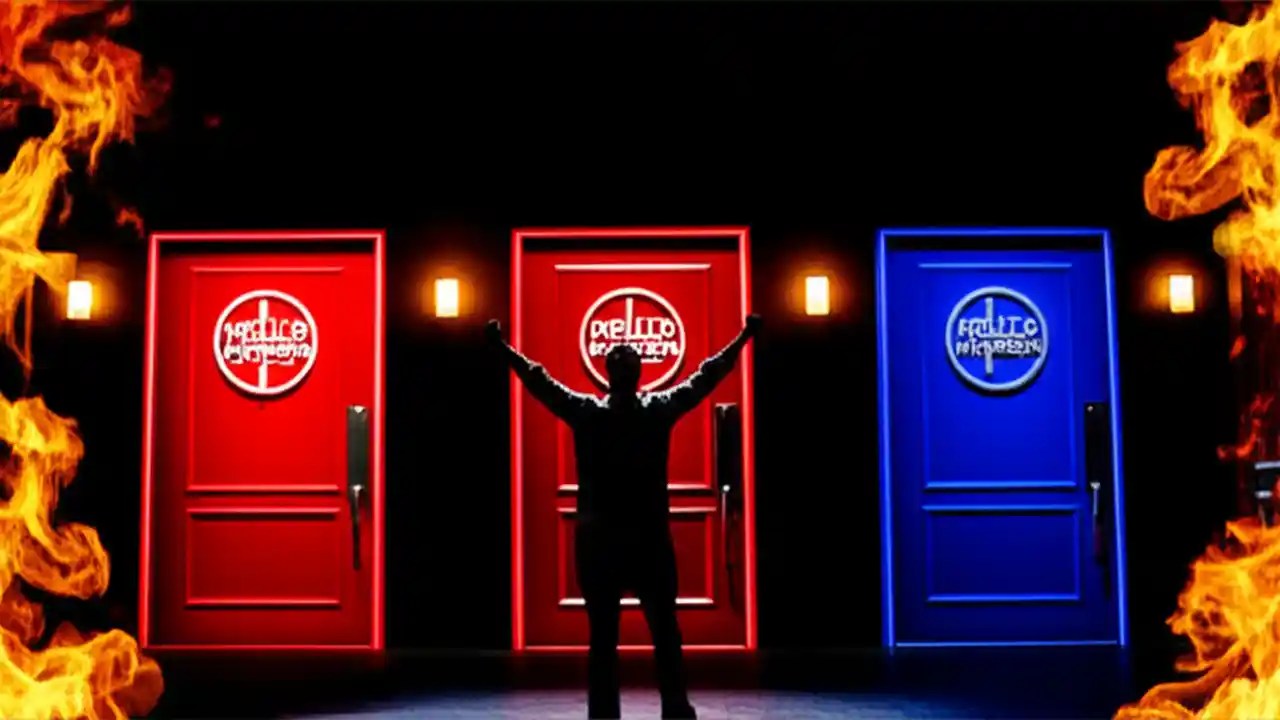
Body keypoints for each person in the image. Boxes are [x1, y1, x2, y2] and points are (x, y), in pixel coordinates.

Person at [487, 313, 761, 719]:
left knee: (604, 638)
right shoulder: (656, 410)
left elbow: (538, 382)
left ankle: (605, 713)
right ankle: (675, 707)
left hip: (600, 541)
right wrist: (743, 338)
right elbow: (706, 378)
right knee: (665, 632)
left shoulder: (588, 413)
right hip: (647, 538)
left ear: (608, 375)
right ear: (637, 374)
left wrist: (502, 349)